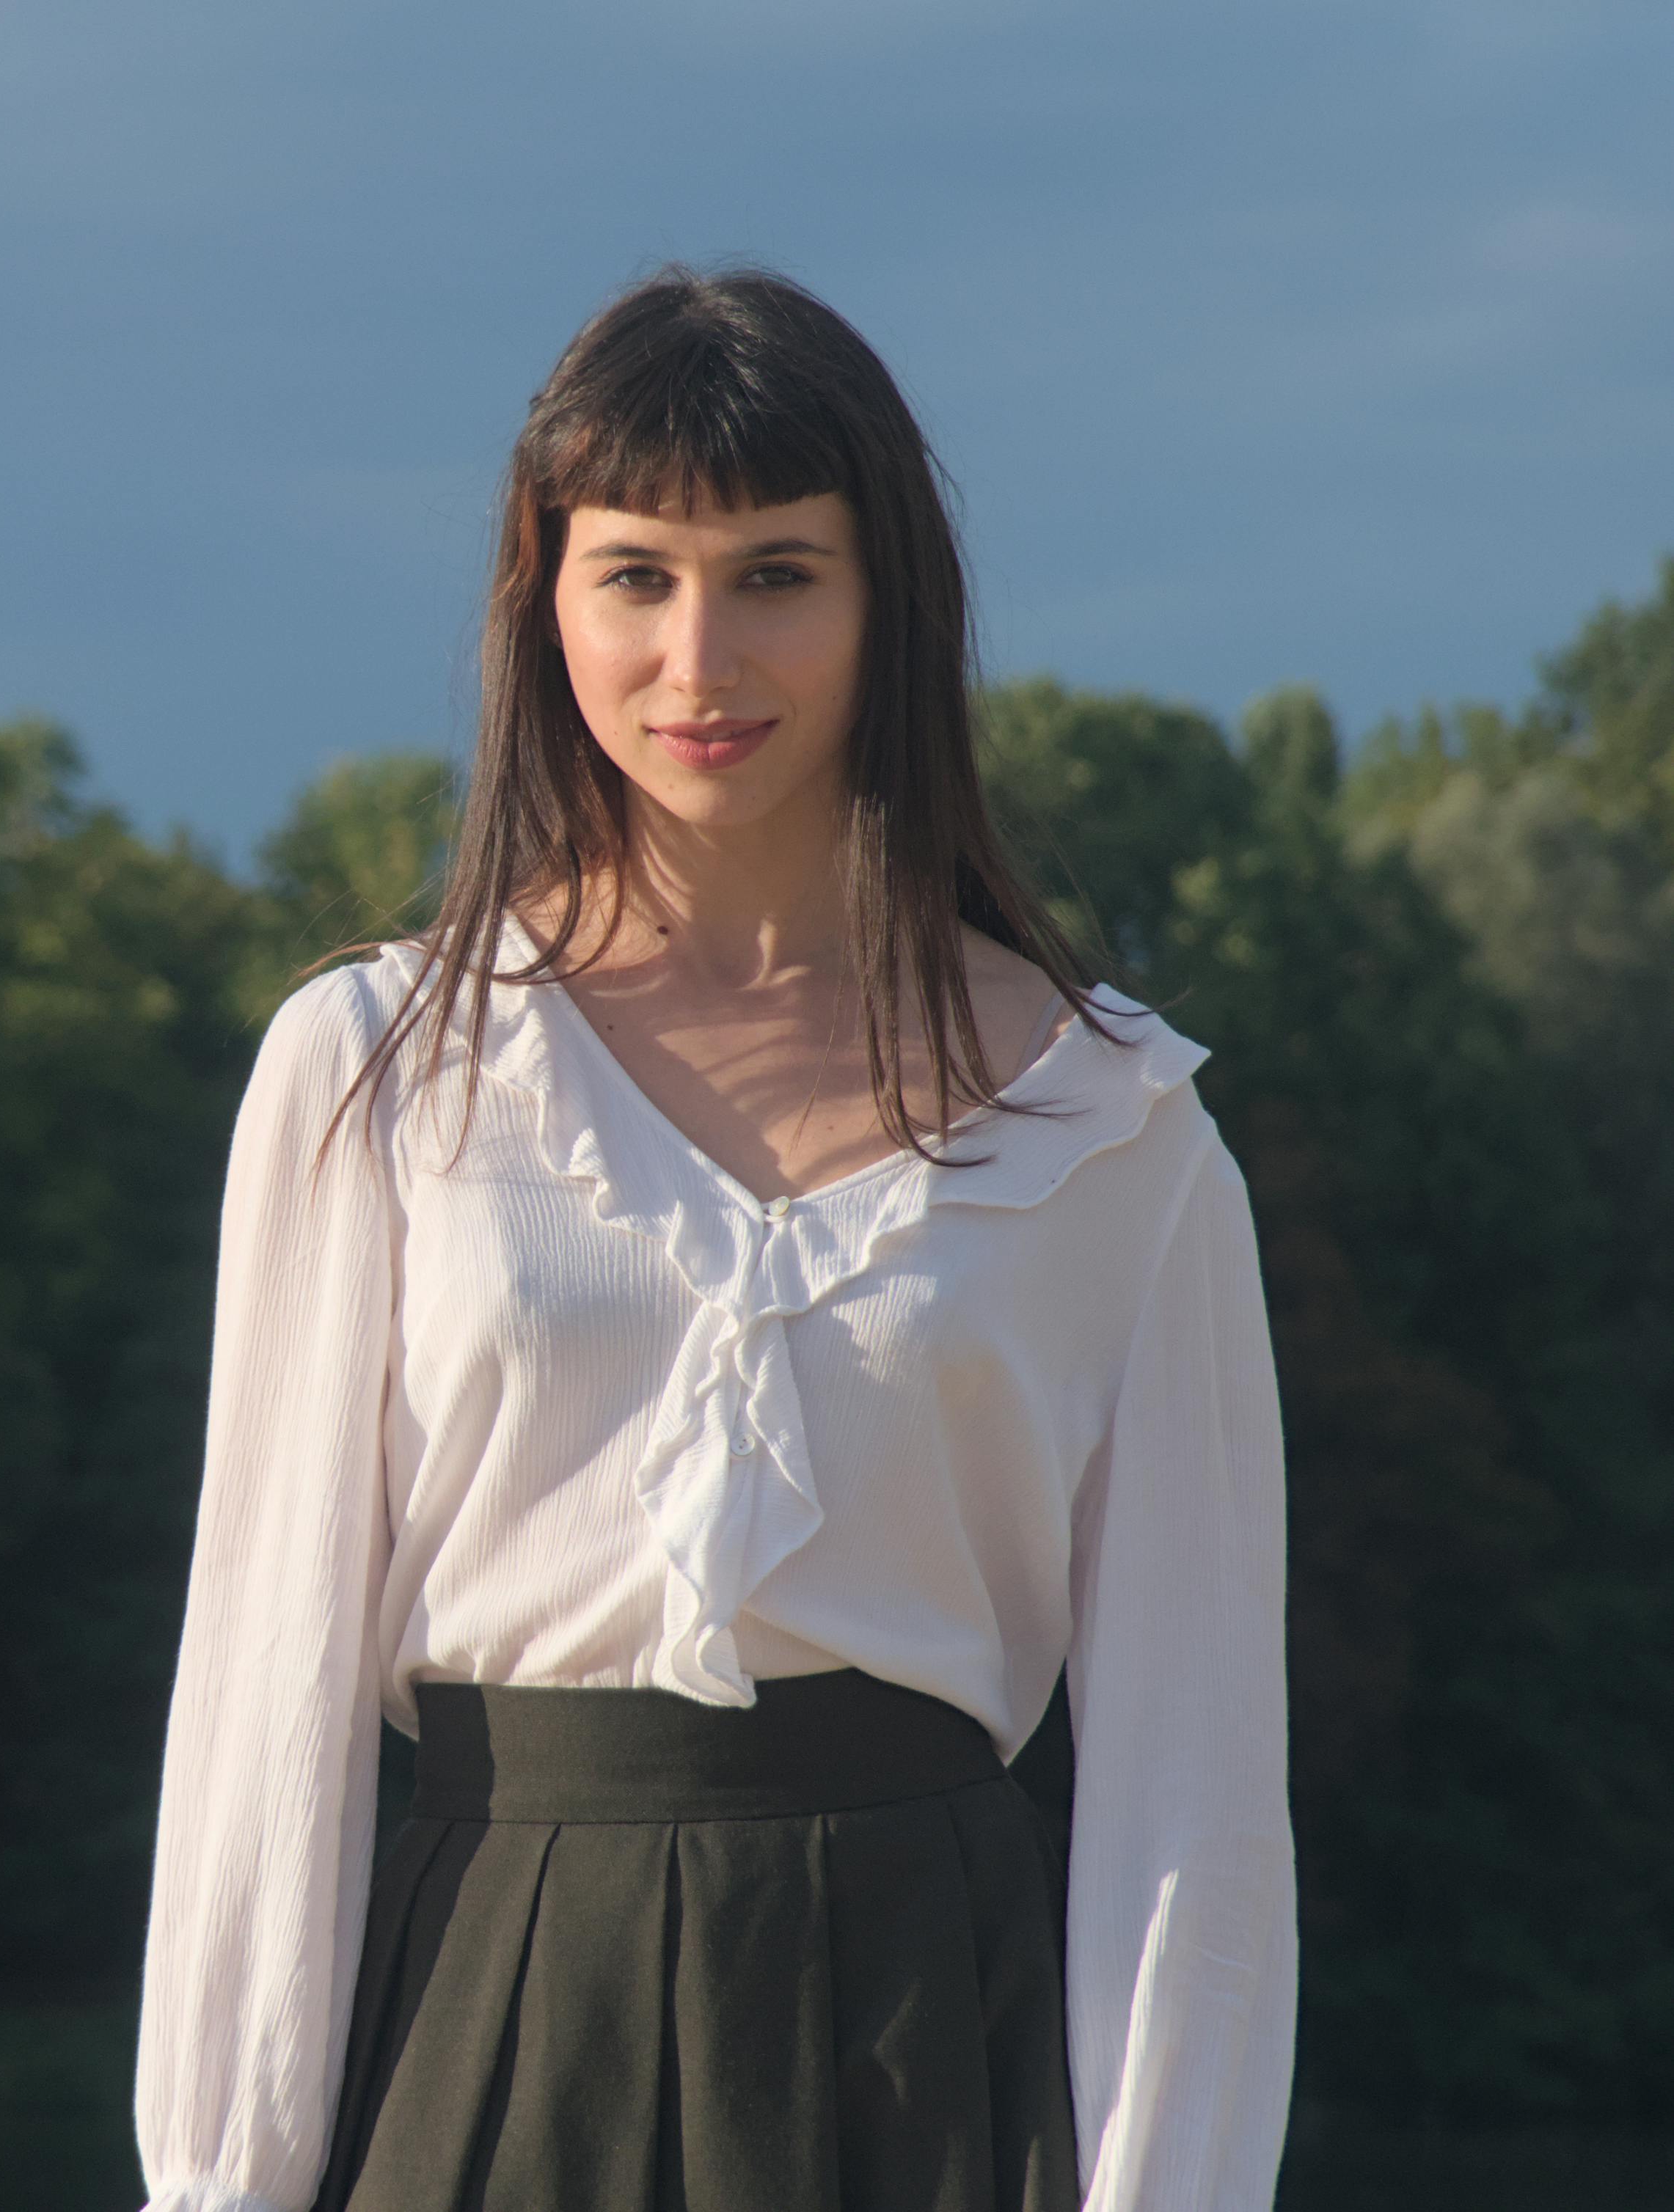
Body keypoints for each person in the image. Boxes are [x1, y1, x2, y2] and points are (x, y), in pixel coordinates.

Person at [132, 267, 1295, 2212]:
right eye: (635, 577)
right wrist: (216, 2184)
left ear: (881, 603)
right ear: (544, 595)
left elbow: (1191, 1791)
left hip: (932, 2052)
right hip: (491, 2020)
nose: (699, 660)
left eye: (774, 573)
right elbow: (263, 1702)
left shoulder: (1117, 1134)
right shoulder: (369, 1073)